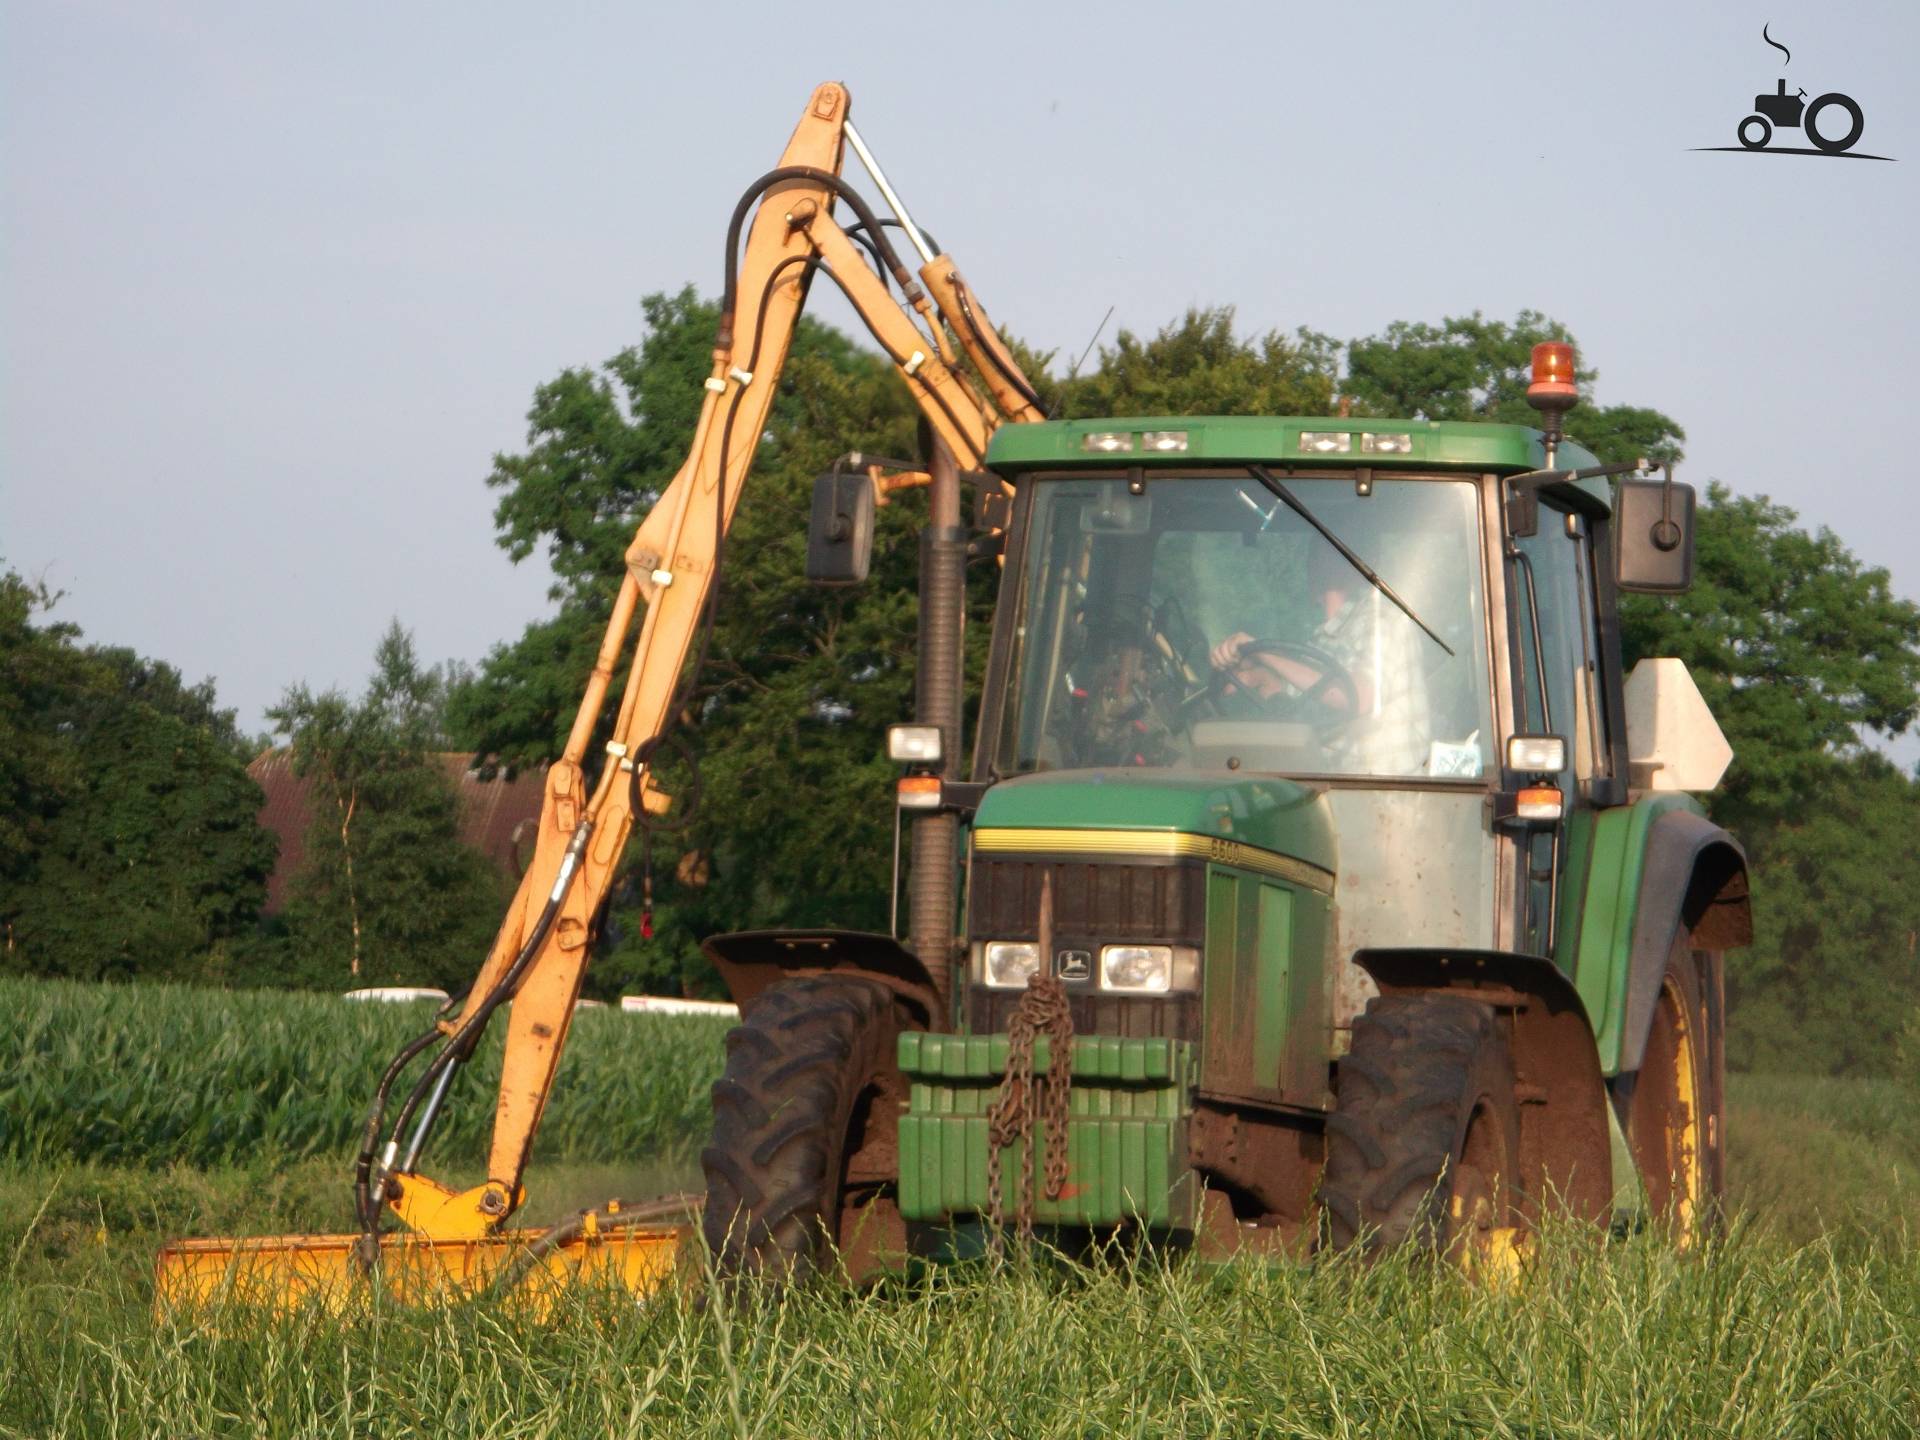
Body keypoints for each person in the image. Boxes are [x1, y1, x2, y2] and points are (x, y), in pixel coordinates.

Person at [1206, 544, 1434, 775]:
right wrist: (1255, 674)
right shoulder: (1324, 638)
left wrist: (1263, 653)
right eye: (1323, 549)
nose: (1325, 558)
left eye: (1336, 548)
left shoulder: (1383, 619)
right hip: (1336, 783)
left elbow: (1359, 697)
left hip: (1386, 793)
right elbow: (1303, 696)